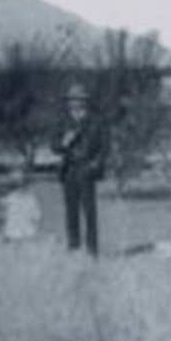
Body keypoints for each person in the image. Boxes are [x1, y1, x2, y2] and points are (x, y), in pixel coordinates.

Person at [51, 83, 109, 256]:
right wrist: (63, 142)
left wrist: (96, 164)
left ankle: (92, 252)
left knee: (89, 213)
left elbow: (105, 146)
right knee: (71, 212)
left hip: (87, 170)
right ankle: (73, 247)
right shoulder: (62, 122)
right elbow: (53, 145)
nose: (74, 103)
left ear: (85, 101)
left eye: (78, 99)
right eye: (71, 100)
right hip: (69, 170)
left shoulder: (96, 121)